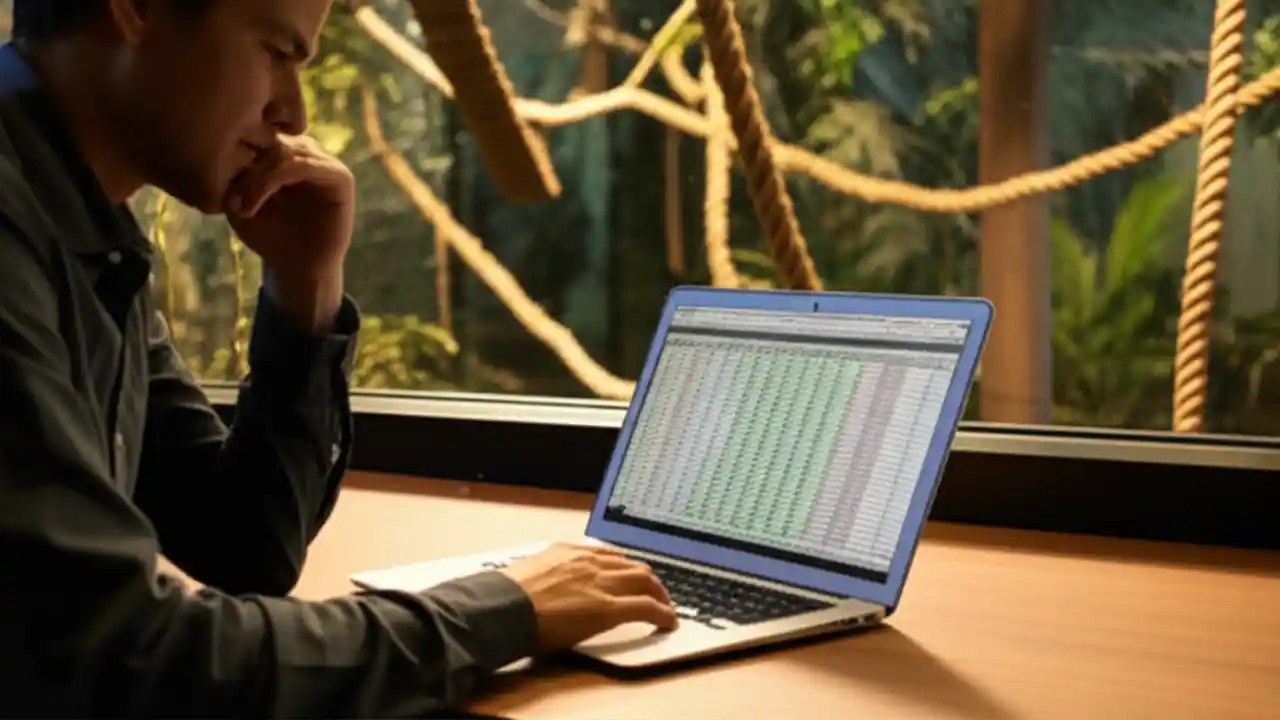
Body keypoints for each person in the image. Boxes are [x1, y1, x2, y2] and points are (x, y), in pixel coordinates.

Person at [0, 0, 678, 715]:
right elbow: (130, 658)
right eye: (275, 53)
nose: (293, 115)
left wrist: (307, 283)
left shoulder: (82, 236)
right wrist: (505, 609)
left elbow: (244, 549)